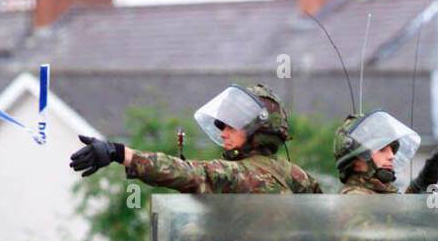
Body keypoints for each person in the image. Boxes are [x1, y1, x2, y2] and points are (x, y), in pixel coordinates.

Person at [70, 83, 323, 194]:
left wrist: (117, 152)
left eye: (230, 125)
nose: (222, 130)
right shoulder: (298, 176)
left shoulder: (238, 174)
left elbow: (186, 172)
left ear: (258, 130)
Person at [334, 110, 438, 195]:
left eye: (392, 150)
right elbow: (400, 229)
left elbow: (403, 218)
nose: (391, 156)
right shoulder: (355, 199)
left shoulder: (376, 193)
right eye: (381, 149)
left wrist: (424, 182)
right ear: (356, 160)